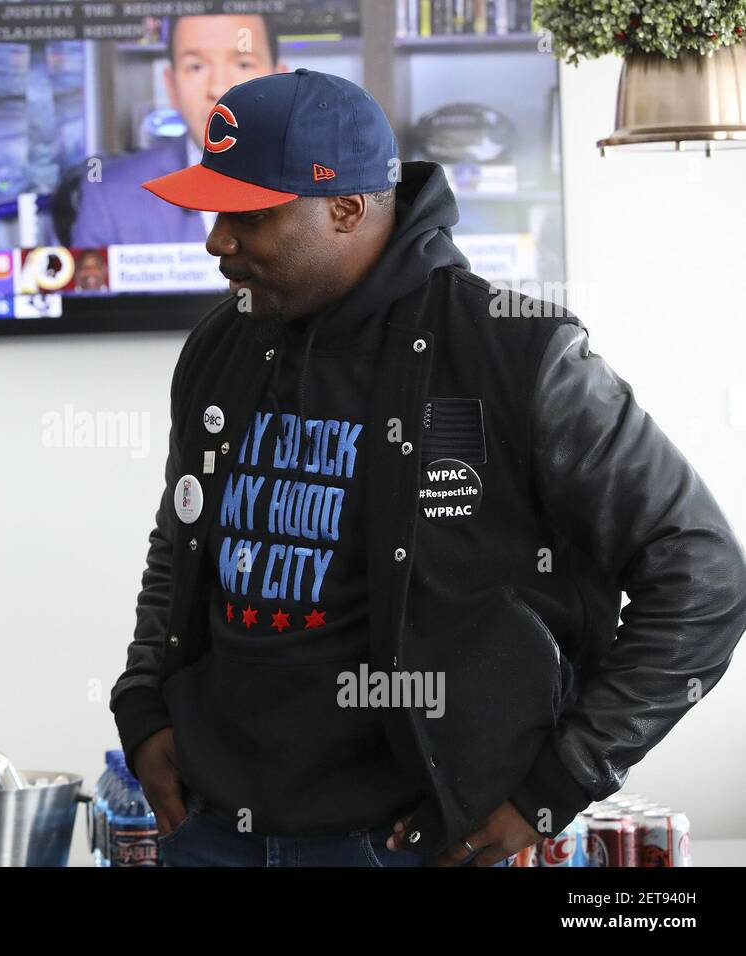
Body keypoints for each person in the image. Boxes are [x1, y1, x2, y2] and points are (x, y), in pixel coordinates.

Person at [110, 70, 746, 867]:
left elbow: (703, 574)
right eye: (214, 209)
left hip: (406, 843)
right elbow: (183, 538)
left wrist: (557, 784)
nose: (217, 240)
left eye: (251, 214)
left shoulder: (517, 355)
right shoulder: (223, 342)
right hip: (209, 829)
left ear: (346, 208)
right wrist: (143, 708)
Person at [69, 13, 288, 248]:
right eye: (196, 66)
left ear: (282, 81)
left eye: (243, 64)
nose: (218, 88)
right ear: (171, 86)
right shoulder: (108, 197)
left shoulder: (326, 189)